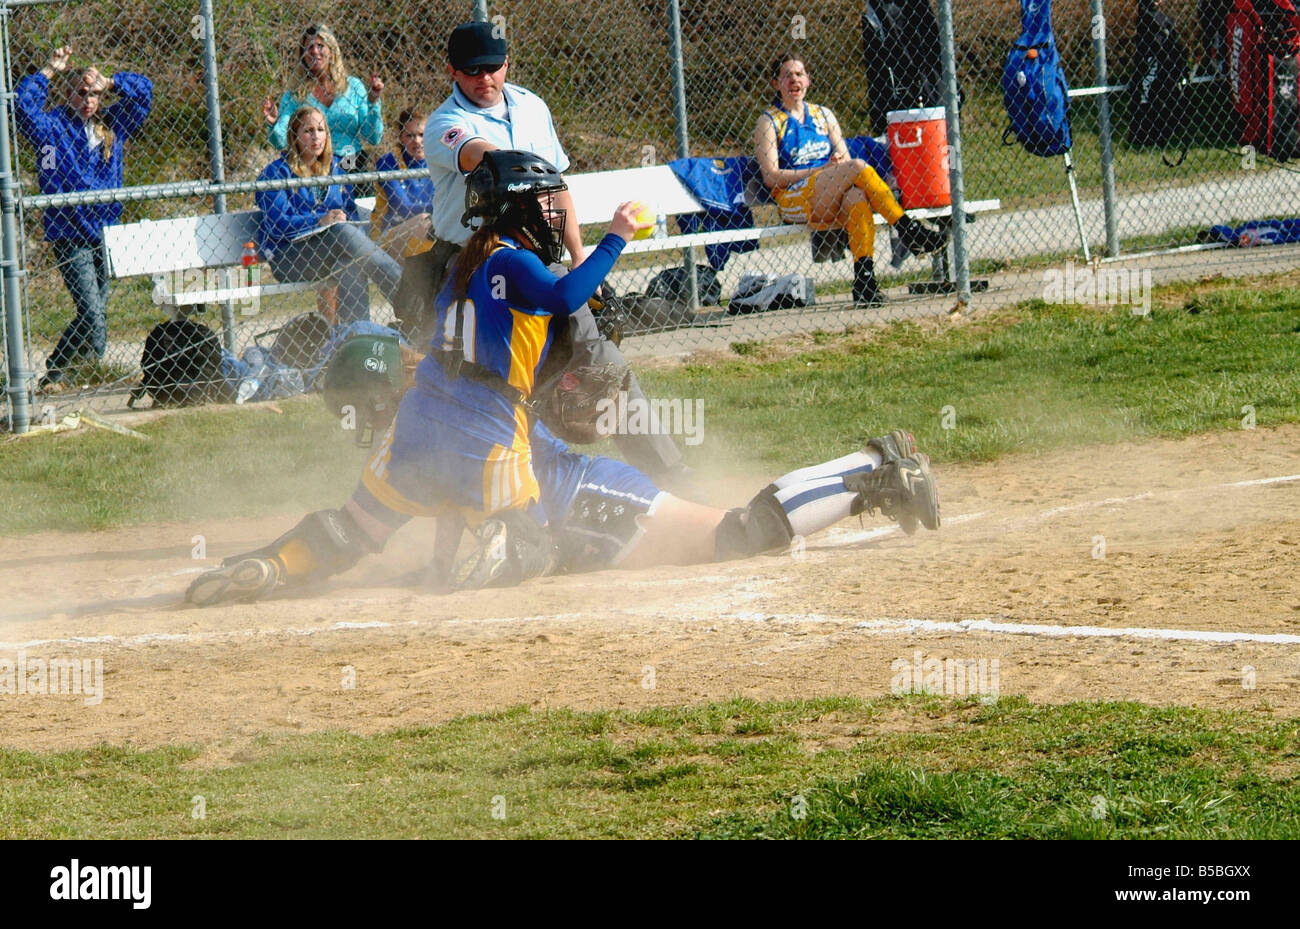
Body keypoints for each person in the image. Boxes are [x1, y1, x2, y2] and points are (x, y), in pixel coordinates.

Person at [184, 151, 940, 607]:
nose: (554, 213)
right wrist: (615, 238)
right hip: (543, 476)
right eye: (545, 202)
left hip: (576, 490)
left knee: (735, 536)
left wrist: (277, 562)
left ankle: (878, 468)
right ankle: (876, 468)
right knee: (723, 534)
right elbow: (566, 297)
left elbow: (352, 531)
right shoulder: (502, 266)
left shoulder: (418, 408)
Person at [410, 20, 688, 486]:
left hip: (537, 258)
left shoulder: (532, 107)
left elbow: (557, 189)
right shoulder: (444, 122)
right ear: (452, 72)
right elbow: (481, 154)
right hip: (469, 267)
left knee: (603, 363)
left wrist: (582, 264)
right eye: (472, 70)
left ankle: (671, 474)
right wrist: (518, 165)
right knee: (480, 380)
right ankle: (442, 483)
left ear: (507, 63)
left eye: (493, 67)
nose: (485, 79)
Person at [754, 53, 950, 307]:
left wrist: (833, 170)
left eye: (799, 74)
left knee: (857, 196)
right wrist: (819, 171)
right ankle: (908, 230)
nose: (794, 79)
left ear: (808, 81)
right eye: (787, 75)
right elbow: (771, 177)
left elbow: (846, 163)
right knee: (857, 167)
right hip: (795, 197)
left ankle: (864, 282)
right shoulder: (769, 121)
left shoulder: (823, 115)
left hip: (829, 191)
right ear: (775, 84)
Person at [15, 46, 152, 392]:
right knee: (91, 311)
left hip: (105, 231)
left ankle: (82, 371)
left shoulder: (111, 125)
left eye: (94, 94)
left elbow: (144, 95)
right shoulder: (53, 127)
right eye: (81, 92)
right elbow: (21, 107)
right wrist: (48, 70)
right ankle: (59, 370)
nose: (88, 100)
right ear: (67, 93)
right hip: (69, 232)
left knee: (98, 313)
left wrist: (112, 82)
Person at [255, 105, 402, 326]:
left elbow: (351, 212)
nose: (316, 137)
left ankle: (356, 337)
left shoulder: (336, 168)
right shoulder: (276, 173)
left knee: (350, 263)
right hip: (289, 257)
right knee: (342, 232)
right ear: (294, 136)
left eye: (321, 130)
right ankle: (406, 295)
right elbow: (277, 225)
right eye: (308, 130)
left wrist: (344, 223)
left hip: (333, 253)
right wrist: (319, 220)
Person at [262, 23, 384, 178]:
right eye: (309, 47)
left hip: (351, 163)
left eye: (320, 45)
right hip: (311, 168)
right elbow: (279, 141)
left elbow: (372, 138)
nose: (314, 51)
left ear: (331, 51)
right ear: (302, 55)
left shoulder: (353, 87)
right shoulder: (295, 95)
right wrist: (272, 123)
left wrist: (373, 101)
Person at [370, 107, 434, 262]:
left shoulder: (437, 160)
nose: (417, 141)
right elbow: (404, 209)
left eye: (422, 135)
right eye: (410, 136)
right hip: (389, 233)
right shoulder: (388, 162)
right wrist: (446, 208)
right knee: (424, 221)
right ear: (401, 138)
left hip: (431, 226)